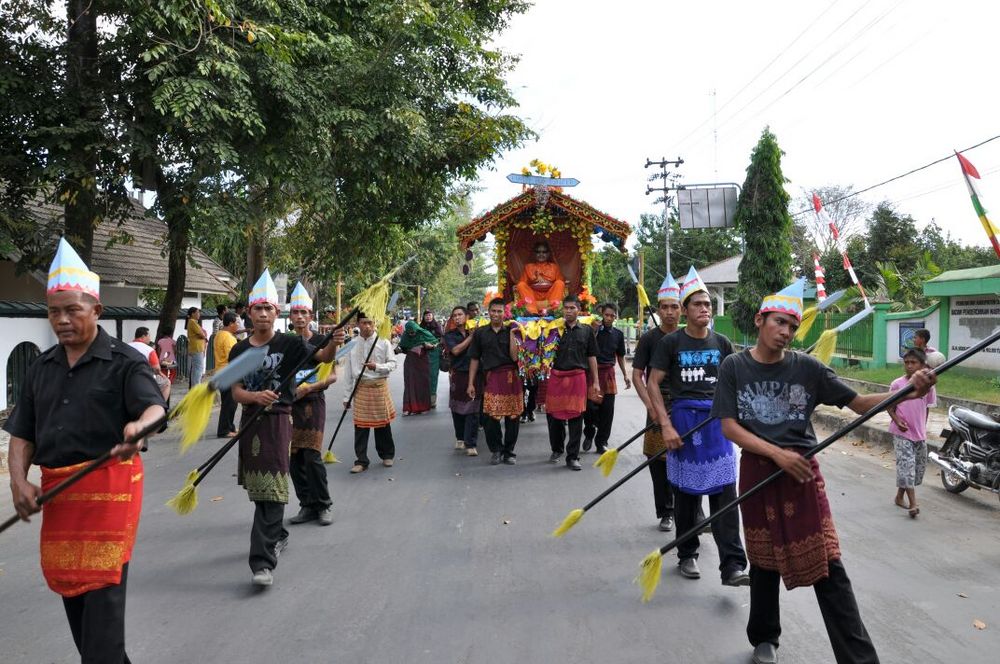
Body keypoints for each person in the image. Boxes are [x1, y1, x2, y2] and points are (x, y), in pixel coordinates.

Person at [712, 278, 936, 664]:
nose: (785, 332)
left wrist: (907, 392)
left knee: (828, 564)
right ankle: (765, 637)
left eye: (792, 326)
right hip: (758, 472)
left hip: (801, 475)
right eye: (779, 322)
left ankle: (859, 659)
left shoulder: (808, 369)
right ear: (760, 320)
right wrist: (776, 453)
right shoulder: (735, 366)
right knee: (763, 560)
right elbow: (729, 426)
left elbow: (859, 402)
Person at [4, 238, 166, 663]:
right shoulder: (41, 367)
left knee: (102, 623)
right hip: (60, 497)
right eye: (54, 310)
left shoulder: (125, 361)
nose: (61, 319)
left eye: (72, 309)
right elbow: (22, 433)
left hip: (110, 494)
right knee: (79, 612)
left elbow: (154, 408)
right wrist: (20, 483)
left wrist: (137, 427)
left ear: (97, 309)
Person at [229, 269, 344, 587]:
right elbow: (235, 391)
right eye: (257, 309)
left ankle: (262, 562)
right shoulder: (240, 350)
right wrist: (254, 395)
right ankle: (277, 534)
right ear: (249, 312)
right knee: (259, 493)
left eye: (269, 308)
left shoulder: (290, 344)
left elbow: (322, 356)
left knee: (275, 491)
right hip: (250, 425)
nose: (263, 314)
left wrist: (334, 343)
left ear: (276, 313)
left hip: (280, 422)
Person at [646, 266, 749, 586]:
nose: (705, 308)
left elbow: (736, 386)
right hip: (684, 422)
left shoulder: (722, 343)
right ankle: (687, 553)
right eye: (698, 304)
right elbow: (652, 382)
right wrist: (665, 425)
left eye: (708, 304)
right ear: (685, 310)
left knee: (725, 496)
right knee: (687, 497)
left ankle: (732, 565)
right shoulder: (671, 343)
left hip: (717, 423)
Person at [632, 274, 682, 532]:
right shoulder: (649, 339)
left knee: (685, 458)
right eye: (665, 307)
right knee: (658, 461)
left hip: (684, 406)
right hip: (658, 405)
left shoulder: (689, 337)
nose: (670, 312)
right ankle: (666, 511)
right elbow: (637, 375)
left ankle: (689, 510)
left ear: (681, 310)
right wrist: (650, 405)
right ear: (659, 310)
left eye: (675, 306)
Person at [287, 284, 337, 526]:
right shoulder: (285, 343)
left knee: (311, 456)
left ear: (310, 316)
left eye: (303, 313)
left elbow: (332, 375)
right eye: (295, 313)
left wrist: (310, 387)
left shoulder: (321, 341)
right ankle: (306, 505)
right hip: (290, 405)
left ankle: (324, 504)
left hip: (313, 402)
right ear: (290, 317)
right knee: (293, 458)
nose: (299, 317)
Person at [546, 294, 600, 471]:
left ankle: (572, 456)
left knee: (577, 417)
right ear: (562, 310)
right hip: (556, 376)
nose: (569, 311)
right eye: (566, 308)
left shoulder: (586, 330)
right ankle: (557, 448)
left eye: (572, 308)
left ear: (579, 309)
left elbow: (592, 356)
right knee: (554, 416)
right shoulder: (553, 329)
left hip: (578, 377)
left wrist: (596, 382)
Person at [467, 297, 522, 465]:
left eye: (500, 311)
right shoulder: (480, 333)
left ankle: (509, 451)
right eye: (493, 311)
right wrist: (470, 383)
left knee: (513, 417)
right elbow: (475, 358)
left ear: (505, 313)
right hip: (491, 377)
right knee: (491, 416)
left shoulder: (512, 331)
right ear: (488, 312)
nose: (496, 314)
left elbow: (515, 357)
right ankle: (496, 450)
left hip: (511, 376)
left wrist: (512, 335)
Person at [343, 311, 398, 473]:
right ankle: (361, 460)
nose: (367, 326)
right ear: (357, 324)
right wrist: (347, 396)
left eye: (370, 322)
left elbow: (393, 364)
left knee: (383, 424)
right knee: (360, 426)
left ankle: (387, 455)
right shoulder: (352, 344)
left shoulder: (384, 342)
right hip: (361, 388)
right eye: (363, 323)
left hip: (379, 386)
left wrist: (378, 367)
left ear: (375, 324)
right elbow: (347, 373)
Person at [887, 348, 936, 518]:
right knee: (906, 466)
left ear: (923, 365)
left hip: (919, 433)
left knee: (916, 468)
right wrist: (896, 420)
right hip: (901, 433)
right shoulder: (897, 384)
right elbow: (889, 406)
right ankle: (913, 504)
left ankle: (900, 496)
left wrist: (923, 427)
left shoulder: (928, 386)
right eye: (906, 362)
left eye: (913, 362)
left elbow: (927, 408)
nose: (909, 366)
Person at [584, 303, 632, 454]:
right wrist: (594, 330)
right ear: (602, 314)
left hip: (609, 373)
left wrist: (625, 375)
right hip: (593, 372)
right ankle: (589, 431)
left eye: (612, 316)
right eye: (607, 315)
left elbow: (620, 356)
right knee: (589, 407)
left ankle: (602, 442)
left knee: (608, 410)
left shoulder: (618, 334)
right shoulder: (593, 330)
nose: (609, 318)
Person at [444, 306, 480, 456]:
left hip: (476, 374)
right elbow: (456, 351)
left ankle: (470, 443)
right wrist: (471, 338)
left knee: (473, 408)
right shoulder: (450, 335)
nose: (457, 317)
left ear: (467, 316)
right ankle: (460, 437)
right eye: (454, 316)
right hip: (458, 374)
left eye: (460, 314)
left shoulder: (478, 332)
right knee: (457, 407)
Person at [515, 241, 566, 314]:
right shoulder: (528, 267)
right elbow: (523, 283)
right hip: (533, 295)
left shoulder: (554, 267)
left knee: (560, 283)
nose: (541, 254)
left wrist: (548, 282)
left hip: (550, 294)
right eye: (538, 252)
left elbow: (560, 281)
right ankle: (532, 312)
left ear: (548, 254)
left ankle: (551, 310)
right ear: (534, 254)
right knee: (521, 285)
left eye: (544, 252)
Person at [398, 320, 436, 415]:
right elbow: (403, 348)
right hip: (410, 362)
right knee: (409, 384)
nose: (411, 334)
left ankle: (423, 407)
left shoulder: (424, 333)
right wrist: (398, 350)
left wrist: (429, 346)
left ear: (417, 329)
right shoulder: (405, 336)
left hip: (423, 362)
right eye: (409, 332)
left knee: (423, 383)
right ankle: (408, 408)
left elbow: (436, 343)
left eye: (413, 332)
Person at [213, 312, 240, 437]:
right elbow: (233, 357)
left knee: (229, 402)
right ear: (230, 323)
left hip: (220, 371)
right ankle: (224, 430)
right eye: (237, 323)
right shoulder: (229, 338)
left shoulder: (219, 334)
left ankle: (230, 427)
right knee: (229, 403)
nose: (238, 325)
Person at [129, 326, 170, 402]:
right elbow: (156, 368)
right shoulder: (149, 350)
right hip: (144, 378)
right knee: (166, 382)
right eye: (149, 336)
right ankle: (160, 406)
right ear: (143, 336)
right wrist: (161, 374)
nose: (150, 338)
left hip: (127, 377)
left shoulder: (126, 346)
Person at [421, 310, 445, 407]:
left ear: (433, 316)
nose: (428, 317)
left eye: (430, 315)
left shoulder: (437, 326)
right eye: (426, 315)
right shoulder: (420, 327)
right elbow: (416, 339)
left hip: (435, 354)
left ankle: (432, 401)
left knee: (433, 377)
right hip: (422, 354)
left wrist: (435, 345)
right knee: (423, 377)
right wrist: (423, 344)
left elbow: (442, 339)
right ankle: (423, 400)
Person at [186, 306, 208, 386]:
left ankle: (194, 387)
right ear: (192, 314)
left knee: (196, 369)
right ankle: (196, 388)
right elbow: (202, 334)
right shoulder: (192, 322)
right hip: (197, 348)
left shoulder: (193, 322)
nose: (199, 314)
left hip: (196, 348)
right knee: (198, 369)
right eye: (197, 312)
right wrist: (204, 336)